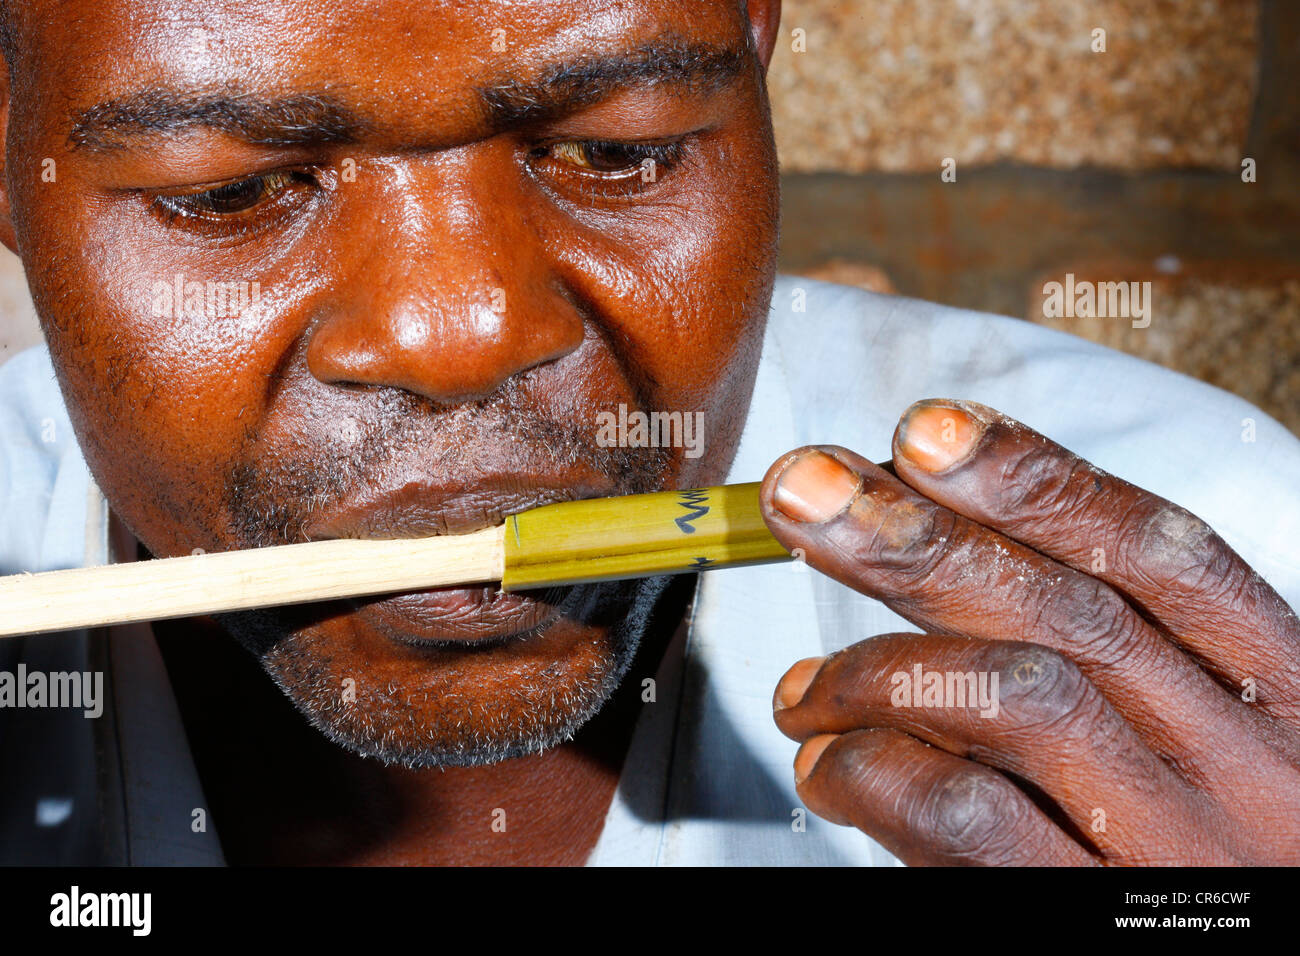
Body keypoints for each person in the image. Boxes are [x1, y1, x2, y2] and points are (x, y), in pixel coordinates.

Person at [0, 0, 1297, 866]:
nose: (466, 332)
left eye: (618, 155)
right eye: (229, 193)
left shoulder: (1225, 601)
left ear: (754, 45)